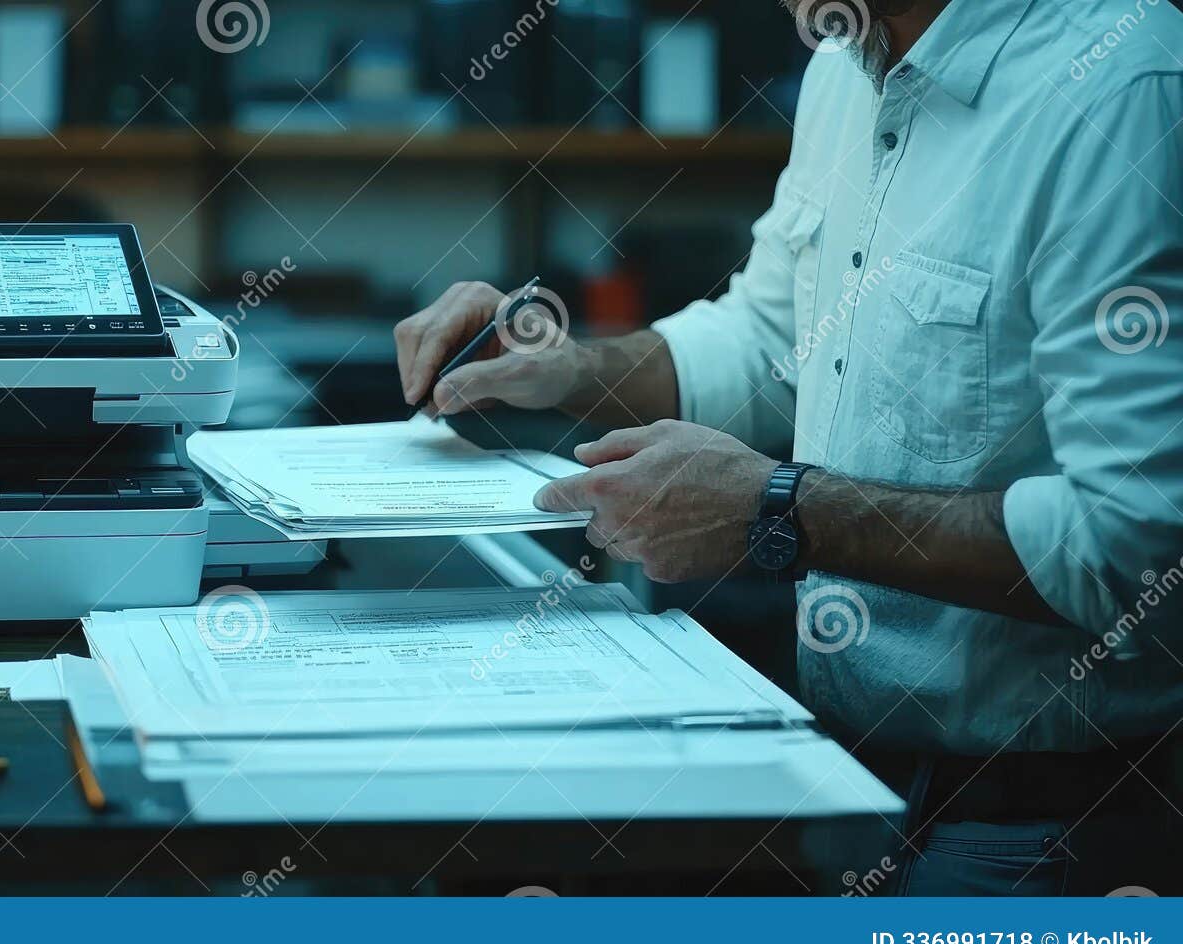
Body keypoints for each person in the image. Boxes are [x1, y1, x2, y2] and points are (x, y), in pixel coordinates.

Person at [392, 0, 1183, 895]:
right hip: (847, 786)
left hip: (1042, 833)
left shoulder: (1124, 82)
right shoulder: (845, 67)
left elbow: (1138, 540)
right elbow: (775, 341)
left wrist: (780, 508)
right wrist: (566, 367)